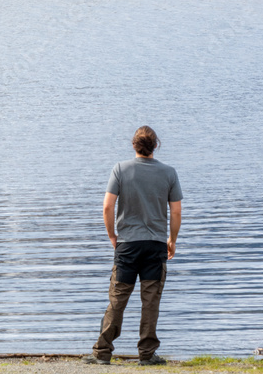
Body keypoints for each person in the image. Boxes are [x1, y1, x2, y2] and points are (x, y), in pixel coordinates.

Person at [86, 126, 182, 366]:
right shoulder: (169, 173)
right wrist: (172, 240)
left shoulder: (120, 169)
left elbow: (108, 207)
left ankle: (102, 353)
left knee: (117, 300)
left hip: (127, 245)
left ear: (134, 145)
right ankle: (147, 356)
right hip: (155, 246)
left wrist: (112, 236)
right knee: (150, 302)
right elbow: (176, 211)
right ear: (155, 146)